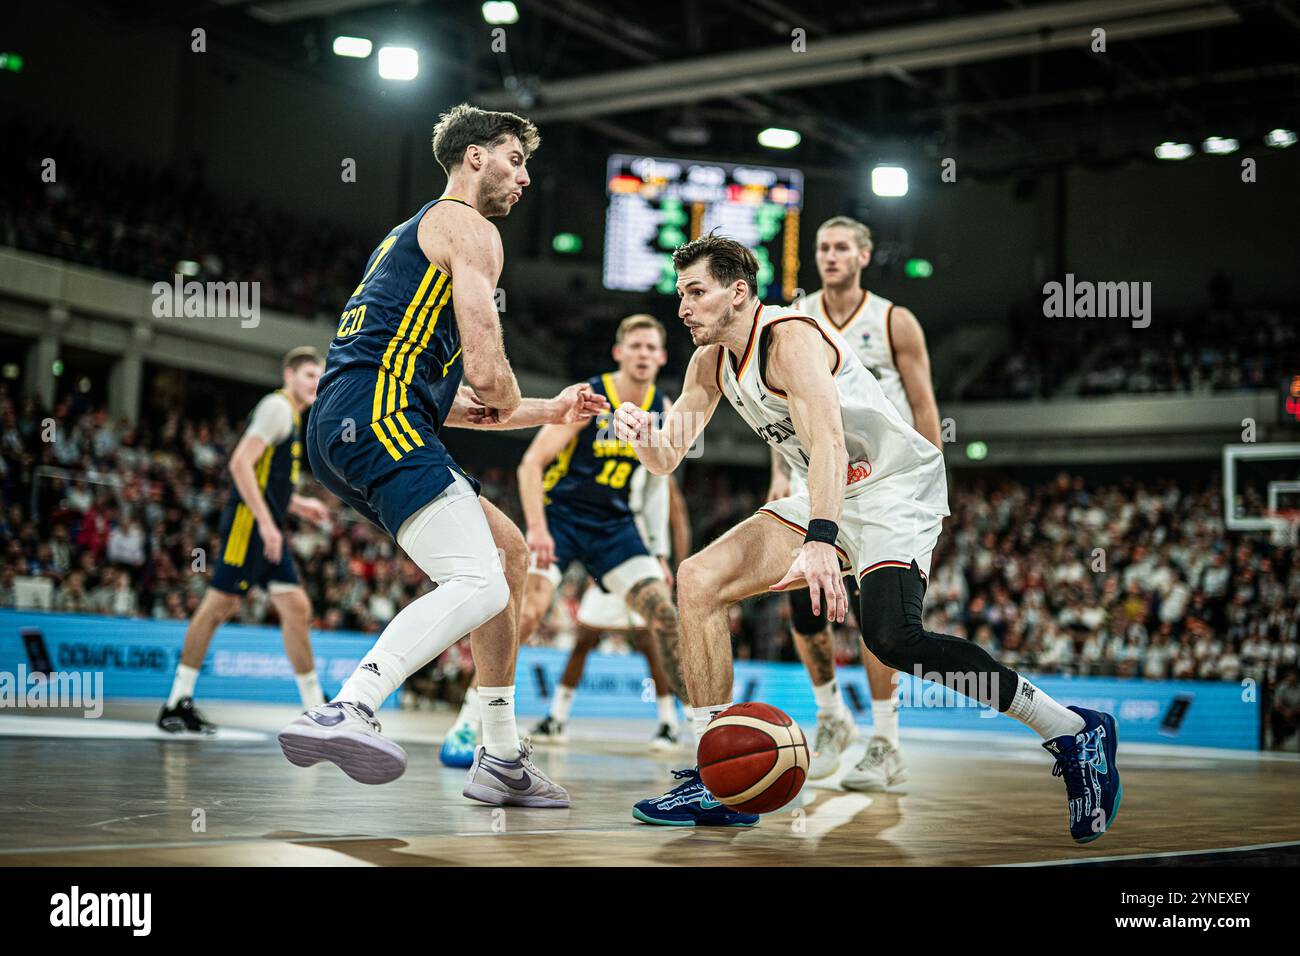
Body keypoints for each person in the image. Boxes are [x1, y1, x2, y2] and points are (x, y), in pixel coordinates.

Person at [615, 234, 1121, 842]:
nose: (683, 308)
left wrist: (821, 539)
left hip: (890, 490)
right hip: (825, 489)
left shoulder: (789, 338)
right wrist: (642, 430)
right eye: (680, 294)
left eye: (696, 292)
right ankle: (713, 777)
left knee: (894, 639)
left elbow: (828, 439)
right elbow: (669, 457)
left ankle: (1069, 728)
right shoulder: (709, 362)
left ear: (739, 292)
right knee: (697, 578)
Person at [278, 103, 605, 809]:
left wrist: (551, 410)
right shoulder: (471, 228)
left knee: (510, 555)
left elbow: (453, 400)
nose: (525, 179)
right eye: (515, 160)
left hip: (357, 420)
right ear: (475, 157)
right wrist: (516, 391)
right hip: (375, 412)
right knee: (480, 580)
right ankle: (351, 705)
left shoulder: (407, 233)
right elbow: (488, 375)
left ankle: (501, 756)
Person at [765, 216, 941, 790]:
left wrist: (928, 485)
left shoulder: (895, 320)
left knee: (878, 615)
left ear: (865, 256)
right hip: (816, 473)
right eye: (823, 248)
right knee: (800, 601)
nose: (830, 256)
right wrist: (778, 476)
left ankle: (885, 739)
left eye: (842, 248)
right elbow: (779, 407)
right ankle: (833, 718)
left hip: (884, 482)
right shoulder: (795, 316)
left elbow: (924, 406)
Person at [158, 347, 331, 735]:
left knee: (296, 608)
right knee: (219, 606)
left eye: (320, 375)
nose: (315, 382)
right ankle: (176, 702)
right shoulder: (276, 408)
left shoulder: (290, 416)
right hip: (248, 526)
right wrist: (269, 526)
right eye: (307, 374)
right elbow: (239, 463)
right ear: (288, 375)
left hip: (266, 527)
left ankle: (314, 706)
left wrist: (300, 506)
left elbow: (269, 481)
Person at [528, 461, 691, 750]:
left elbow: (676, 515)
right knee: (585, 637)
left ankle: (669, 723)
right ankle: (556, 718)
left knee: (651, 642)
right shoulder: (608, 459)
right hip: (610, 550)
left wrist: (670, 561)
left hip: (637, 552)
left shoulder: (658, 463)